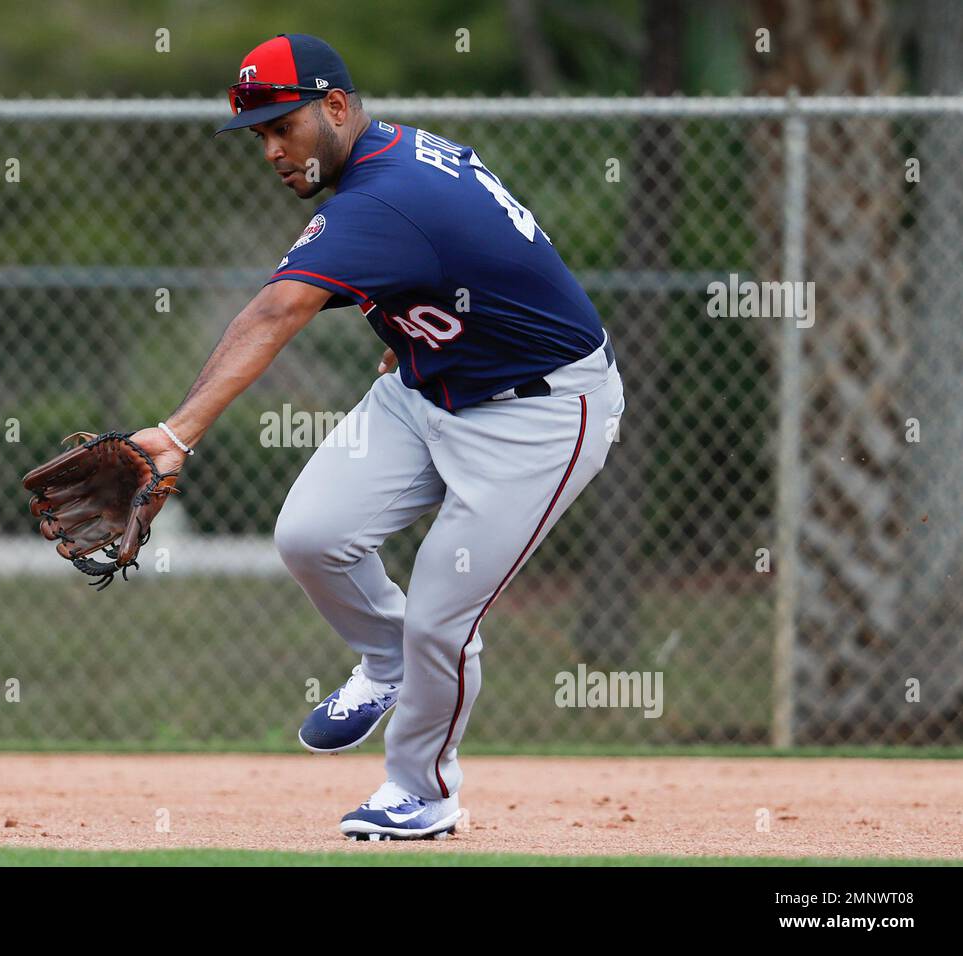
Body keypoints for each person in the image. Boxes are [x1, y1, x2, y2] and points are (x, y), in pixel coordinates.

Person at [128, 33, 625, 840]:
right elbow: (439, 267)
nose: (272, 151)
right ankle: (386, 661)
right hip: (426, 388)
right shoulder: (387, 164)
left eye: (282, 126)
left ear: (334, 107)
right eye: (259, 135)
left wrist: (178, 433)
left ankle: (422, 793)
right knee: (313, 536)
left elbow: (275, 312)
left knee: (442, 616)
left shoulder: (381, 198)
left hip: (540, 413)